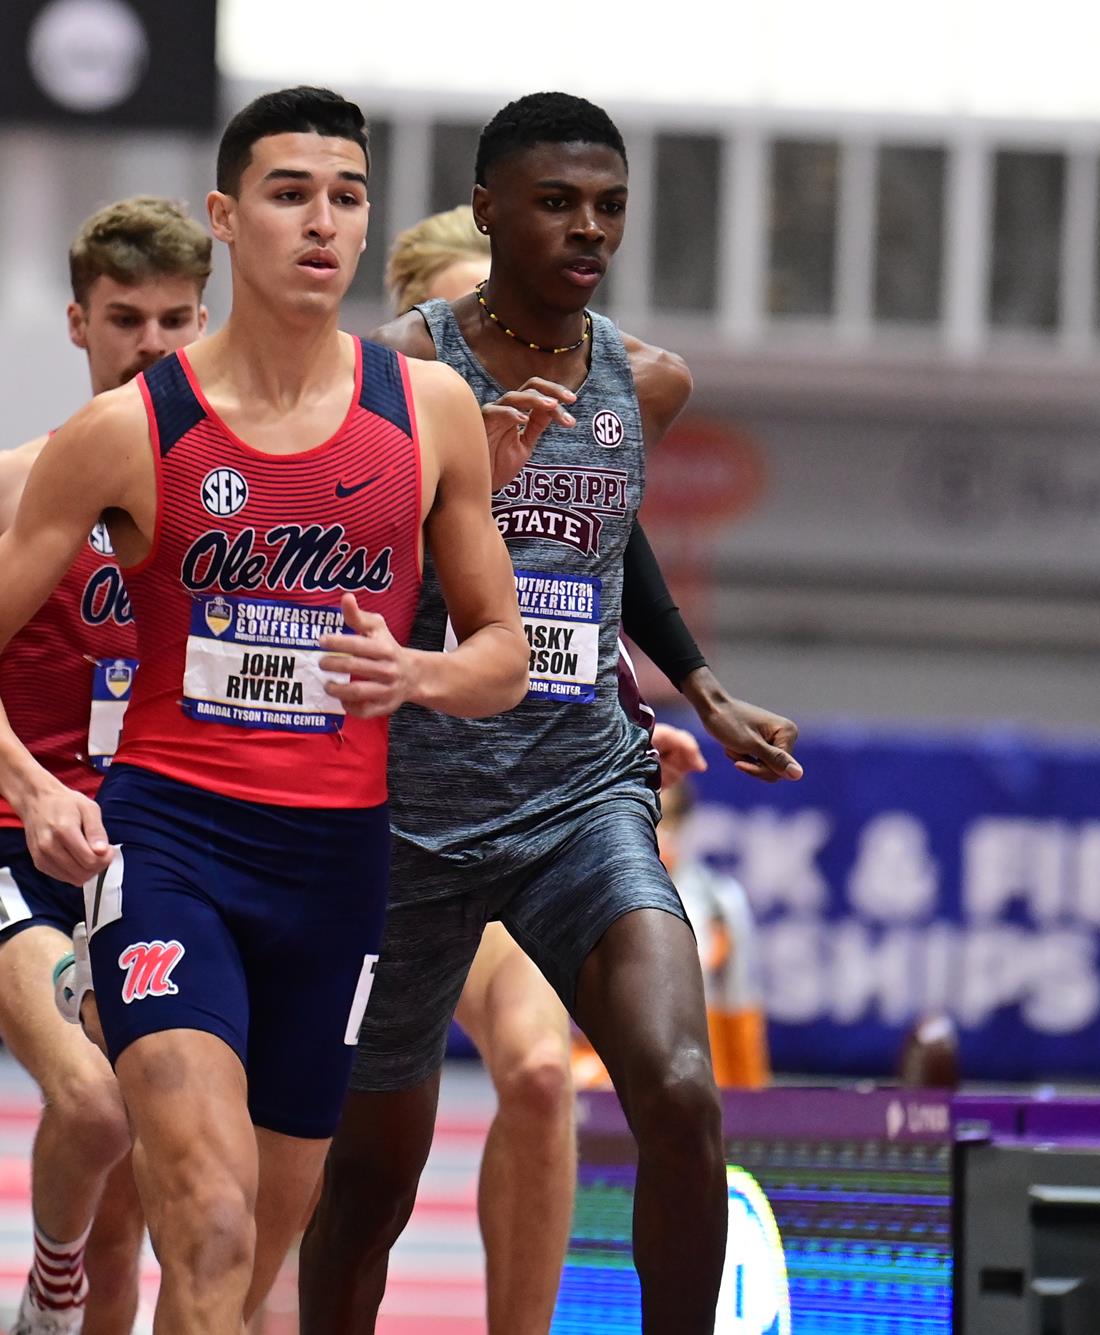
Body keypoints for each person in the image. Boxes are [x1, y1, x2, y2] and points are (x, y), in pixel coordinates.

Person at [0, 87, 528, 1334]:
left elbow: (504, 655)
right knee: (204, 1217)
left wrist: (414, 675)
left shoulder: (429, 414)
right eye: (288, 193)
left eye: (345, 197)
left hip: (338, 862)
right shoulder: (128, 433)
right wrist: (34, 790)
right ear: (225, 217)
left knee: (255, 1270)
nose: (321, 223)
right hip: (172, 848)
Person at [299, 93, 803, 1335]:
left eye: (608, 207)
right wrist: (465, 485)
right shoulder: (399, 373)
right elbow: (337, 562)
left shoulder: (645, 379)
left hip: (581, 791)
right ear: (486, 209)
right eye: (557, 204)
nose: (587, 230)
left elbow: (613, 539)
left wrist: (696, 683)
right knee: (367, 1184)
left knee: (680, 1092)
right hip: (410, 805)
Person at [0, 195, 211, 1334]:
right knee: (93, 1109)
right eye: (124, 318)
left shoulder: (238, 502)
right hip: (17, 845)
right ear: (76, 324)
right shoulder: (1, 491)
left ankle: (83, 1303)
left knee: (135, 1188)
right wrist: (30, 787)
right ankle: (45, 1293)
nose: (150, 344)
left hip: (162, 857)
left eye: (176, 320)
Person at [659, 779, 770, 1089]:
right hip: (603, 1085)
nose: (655, 829)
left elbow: (739, 1012)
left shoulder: (720, 901)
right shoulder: (587, 893)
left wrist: (751, 1111)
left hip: (693, 1082)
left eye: (666, 817)